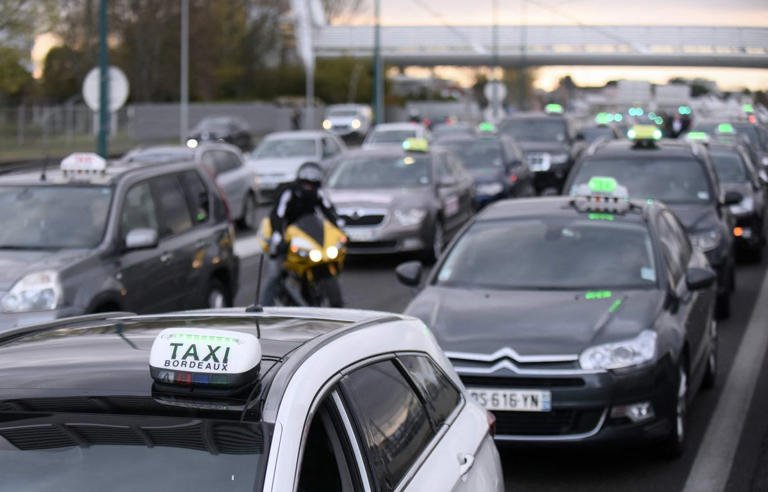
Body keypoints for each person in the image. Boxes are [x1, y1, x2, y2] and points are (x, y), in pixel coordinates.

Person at [259, 162, 344, 306]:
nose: (308, 187)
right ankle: (263, 306)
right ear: (300, 181)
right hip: (283, 234)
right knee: (275, 273)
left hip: (305, 235)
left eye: (312, 184)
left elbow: (328, 210)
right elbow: (278, 215)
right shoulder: (288, 192)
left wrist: (339, 224)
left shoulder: (318, 193)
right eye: (306, 183)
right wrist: (278, 235)